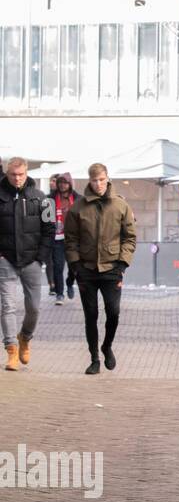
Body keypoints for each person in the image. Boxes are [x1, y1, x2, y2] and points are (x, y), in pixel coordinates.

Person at [64, 163, 137, 375]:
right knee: (91, 315)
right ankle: (94, 357)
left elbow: (130, 237)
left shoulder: (121, 205)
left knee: (113, 312)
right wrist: (75, 265)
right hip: (86, 269)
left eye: (102, 180)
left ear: (108, 178)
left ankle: (107, 346)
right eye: (95, 180)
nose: (99, 184)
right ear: (89, 180)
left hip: (112, 267)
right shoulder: (78, 208)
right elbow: (71, 239)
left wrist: (123, 263)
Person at [0, 157, 54, 371]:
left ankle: (25, 337)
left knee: (34, 308)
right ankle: (11, 350)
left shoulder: (42, 199)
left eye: (21, 174)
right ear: (7, 174)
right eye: (13, 175)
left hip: (32, 260)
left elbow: (50, 230)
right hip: (6, 260)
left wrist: (40, 257)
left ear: (26, 173)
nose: (17, 179)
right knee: (8, 306)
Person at [48, 173, 77, 305]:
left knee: (74, 267)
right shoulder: (50, 199)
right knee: (58, 266)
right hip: (56, 238)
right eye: (60, 182)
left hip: (73, 239)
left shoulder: (78, 199)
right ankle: (60, 294)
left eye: (65, 182)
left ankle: (69, 282)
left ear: (70, 184)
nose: (62, 185)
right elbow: (45, 219)